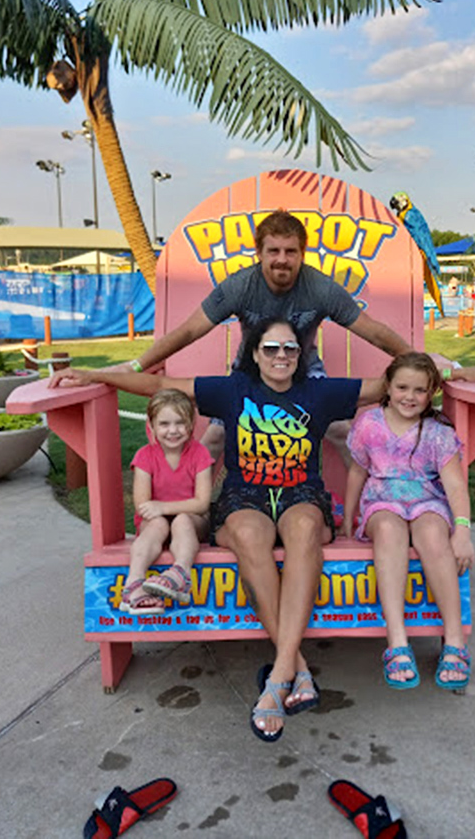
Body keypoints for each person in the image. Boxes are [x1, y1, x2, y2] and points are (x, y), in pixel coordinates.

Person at [51, 318, 402, 742]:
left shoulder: (319, 392)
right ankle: (296, 668)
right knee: (250, 536)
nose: (280, 357)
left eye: (290, 350)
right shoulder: (232, 389)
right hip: (245, 496)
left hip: (301, 494)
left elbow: (392, 384)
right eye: (270, 349)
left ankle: (279, 676)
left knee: (306, 530)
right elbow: (156, 384)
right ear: (254, 354)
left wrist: (456, 371)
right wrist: (90, 374)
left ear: (301, 356)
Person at [49, 211, 475, 465]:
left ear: (301, 254)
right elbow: (188, 330)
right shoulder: (240, 286)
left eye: (291, 251)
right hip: (250, 371)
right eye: (274, 251)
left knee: (345, 432)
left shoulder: (320, 286)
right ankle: (211, 514)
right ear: (259, 253)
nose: (282, 260)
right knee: (213, 440)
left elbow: (378, 334)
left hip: (306, 368)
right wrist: (133, 367)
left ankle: (366, 511)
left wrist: (448, 370)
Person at [343, 352, 474, 692]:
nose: (409, 396)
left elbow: (455, 486)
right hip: (381, 501)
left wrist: (462, 531)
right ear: (388, 386)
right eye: (402, 387)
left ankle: (455, 641)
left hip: (427, 500)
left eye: (419, 390)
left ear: (431, 392)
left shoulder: (437, 432)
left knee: (432, 532)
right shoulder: (369, 424)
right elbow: (358, 470)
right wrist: (348, 518)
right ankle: (397, 641)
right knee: (388, 528)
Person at [120, 389, 213, 615]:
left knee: (181, 520)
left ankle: (180, 573)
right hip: (155, 524)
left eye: (180, 423)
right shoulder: (145, 456)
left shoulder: (199, 454)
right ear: (151, 427)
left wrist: (164, 507)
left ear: (191, 424)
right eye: (164, 424)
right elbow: (143, 505)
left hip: (192, 522)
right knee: (158, 524)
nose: (173, 431)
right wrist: (159, 512)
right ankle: (134, 583)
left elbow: (202, 504)